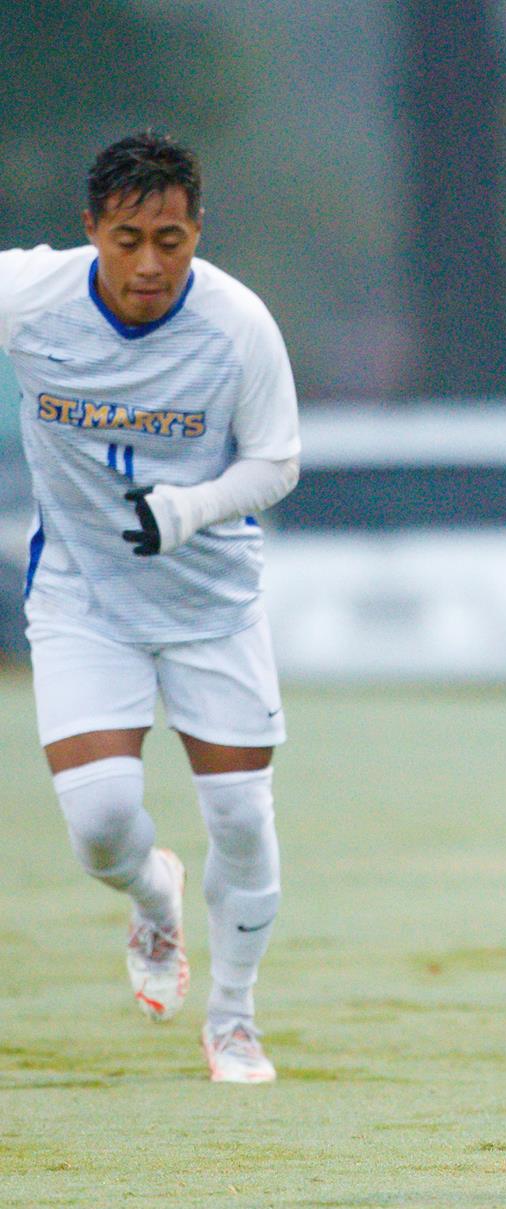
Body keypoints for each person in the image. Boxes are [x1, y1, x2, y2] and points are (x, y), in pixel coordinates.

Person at [1, 131, 302, 1083]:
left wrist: (190, 509)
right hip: (84, 596)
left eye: (170, 238)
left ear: (197, 231)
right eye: (127, 237)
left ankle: (234, 1020)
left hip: (213, 603)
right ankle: (152, 897)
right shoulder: (29, 299)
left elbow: (278, 461)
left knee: (243, 818)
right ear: (89, 228)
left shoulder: (237, 324)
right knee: (98, 821)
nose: (149, 262)